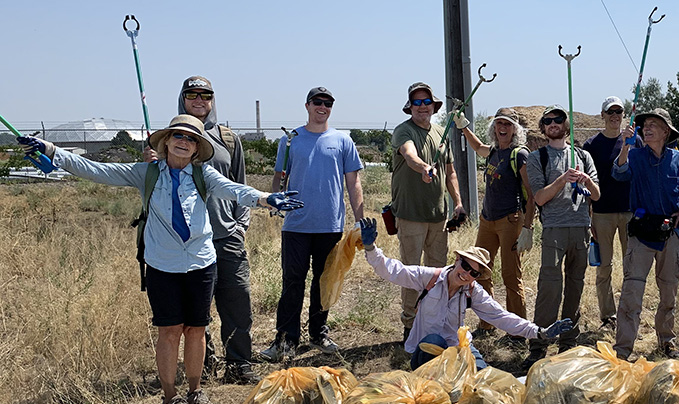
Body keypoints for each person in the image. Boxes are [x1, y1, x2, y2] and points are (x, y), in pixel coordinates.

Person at [18, 115, 302, 404]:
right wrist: (52, 150)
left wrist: (267, 198)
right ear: (166, 142)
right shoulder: (147, 173)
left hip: (201, 264)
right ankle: (170, 396)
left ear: (196, 149)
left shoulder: (204, 175)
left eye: (191, 139)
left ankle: (195, 391)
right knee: (169, 331)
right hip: (162, 266)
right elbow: (97, 170)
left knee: (196, 330)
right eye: (178, 135)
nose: (184, 141)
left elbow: (236, 190)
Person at [146, 76, 260, 384]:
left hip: (226, 236)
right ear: (182, 99)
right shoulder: (171, 139)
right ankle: (203, 367)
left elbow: (240, 184)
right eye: (192, 94)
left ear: (213, 100)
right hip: (187, 246)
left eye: (206, 94)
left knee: (237, 301)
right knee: (196, 313)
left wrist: (241, 225)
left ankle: (239, 364)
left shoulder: (227, 139)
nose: (199, 99)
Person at [357, 218, 575, 370]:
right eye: (465, 265)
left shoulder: (473, 291)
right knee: (434, 343)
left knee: (484, 379)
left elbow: (500, 316)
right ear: (456, 260)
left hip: (459, 348)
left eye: (474, 272)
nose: (466, 274)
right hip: (426, 351)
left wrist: (539, 332)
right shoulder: (430, 277)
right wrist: (371, 248)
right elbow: (393, 271)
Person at [261, 87, 365, 361]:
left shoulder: (343, 141)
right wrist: (273, 201)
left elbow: (353, 182)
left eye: (327, 103)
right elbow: (279, 176)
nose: (322, 107)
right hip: (295, 225)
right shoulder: (290, 140)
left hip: (330, 225)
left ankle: (318, 332)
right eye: (317, 102)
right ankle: (285, 339)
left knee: (324, 281)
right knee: (292, 282)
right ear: (307, 106)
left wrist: (360, 216)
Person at [611, 108, 679, 360]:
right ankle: (622, 351)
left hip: (670, 234)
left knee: (668, 292)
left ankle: (667, 342)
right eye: (645, 125)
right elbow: (618, 173)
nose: (647, 128)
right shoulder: (636, 156)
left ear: (666, 132)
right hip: (640, 233)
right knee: (631, 293)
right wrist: (624, 146)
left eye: (654, 124)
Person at [522, 105, 601, 369]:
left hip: (581, 228)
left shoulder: (583, 156)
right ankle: (540, 343)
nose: (553, 123)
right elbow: (540, 198)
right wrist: (562, 180)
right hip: (554, 230)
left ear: (567, 126)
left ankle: (568, 342)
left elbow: (598, 195)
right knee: (550, 287)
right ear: (543, 127)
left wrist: (585, 182)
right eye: (548, 121)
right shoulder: (537, 158)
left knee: (575, 285)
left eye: (558, 119)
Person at [390, 82, 468, 342]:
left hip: (438, 216)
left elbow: (450, 172)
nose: (422, 107)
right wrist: (424, 167)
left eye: (426, 102)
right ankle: (410, 325)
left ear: (433, 107)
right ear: (410, 107)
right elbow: (409, 155)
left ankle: (432, 323)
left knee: (437, 274)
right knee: (412, 273)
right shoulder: (404, 131)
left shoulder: (441, 133)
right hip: (410, 214)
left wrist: (457, 202)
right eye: (417, 102)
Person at [456, 107, 535, 346]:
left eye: (508, 124)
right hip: (487, 221)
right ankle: (487, 323)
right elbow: (478, 147)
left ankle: (518, 332)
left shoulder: (519, 155)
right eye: (499, 124)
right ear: (494, 128)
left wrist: (528, 227)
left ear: (515, 129)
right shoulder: (493, 152)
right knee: (478, 271)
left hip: (510, 221)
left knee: (512, 277)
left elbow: (531, 194)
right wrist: (464, 127)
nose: (503, 128)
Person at [582, 96, 644, 330]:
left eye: (619, 111)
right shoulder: (591, 145)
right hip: (602, 213)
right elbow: (588, 184)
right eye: (611, 112)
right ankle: (608, 315)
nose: (615, 116)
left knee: (631, 265)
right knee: (604, 266)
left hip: (630, 212)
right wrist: (589, 218)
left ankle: (629, 311)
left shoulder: (634, 140)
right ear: (603, 115)